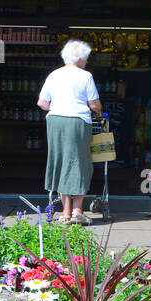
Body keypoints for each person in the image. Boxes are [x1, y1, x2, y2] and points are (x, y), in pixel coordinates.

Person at [37, 39, 101, 223]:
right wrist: (99, 111)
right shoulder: (85, 76)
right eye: (86, 58)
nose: (87, 62)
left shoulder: (54, 75)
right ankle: (77, 210)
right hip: (77, 121)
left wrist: (59, 108)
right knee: (79, 162)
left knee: (61, 160)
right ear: (80, 58)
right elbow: (94, 104)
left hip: (55, 121)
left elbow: (42, 103)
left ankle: (65, 212)